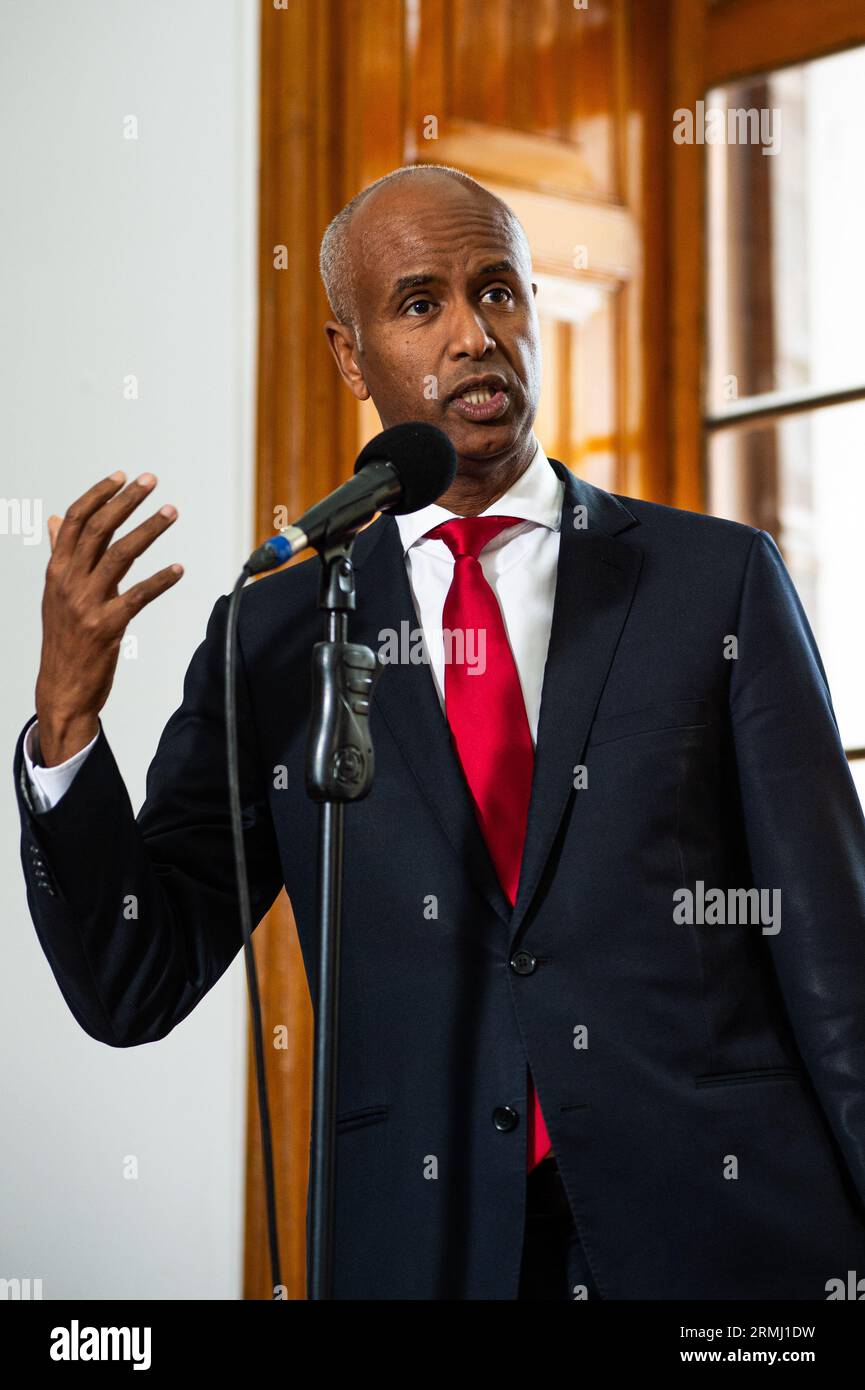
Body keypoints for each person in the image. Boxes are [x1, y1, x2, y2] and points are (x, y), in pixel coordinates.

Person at [14, 164, 865, 1300]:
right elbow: (137, 980)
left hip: (723, 1239)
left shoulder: (714, 581)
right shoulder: (275, 635)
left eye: (496, 291)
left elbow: (834, 955)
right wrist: (67, 722)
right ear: (349, 355)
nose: (473, 334)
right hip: (424, 1247)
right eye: (421, 303)